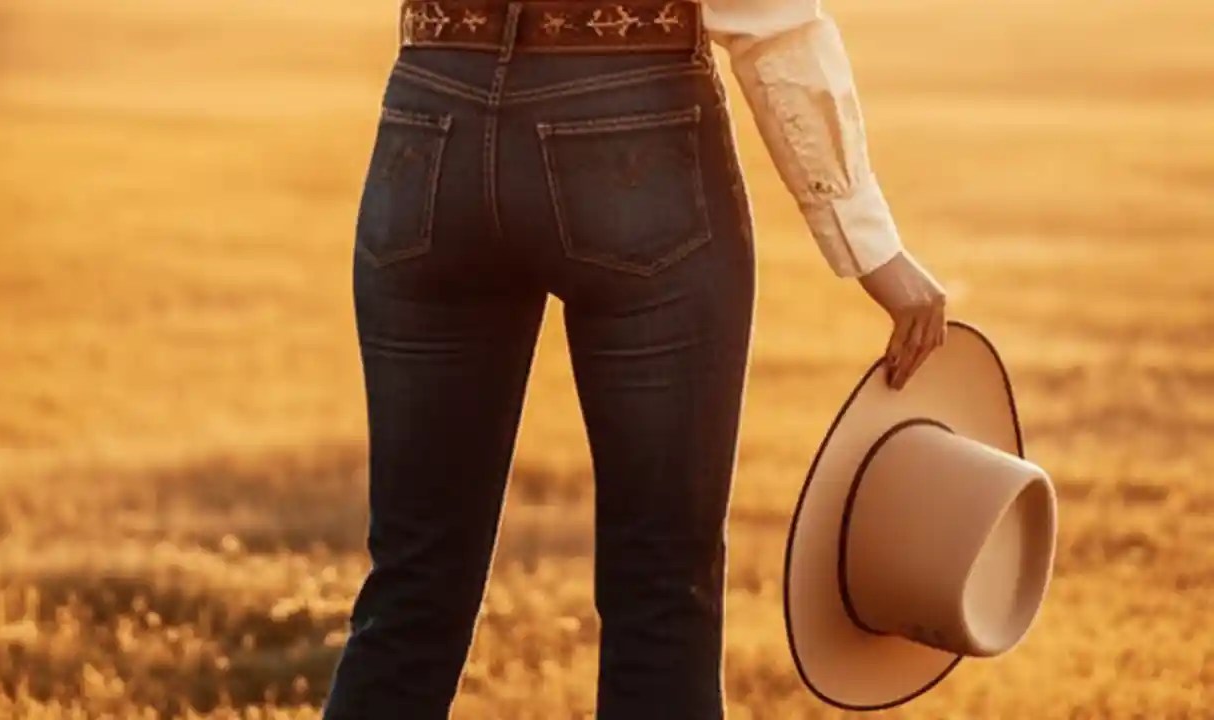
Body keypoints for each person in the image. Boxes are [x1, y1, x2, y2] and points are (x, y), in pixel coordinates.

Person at [322, 0, 948, 717]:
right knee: (660, 590)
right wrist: (868, 243)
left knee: (410, 588)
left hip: (431, 116)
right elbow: (769, 18)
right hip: (631, 122)